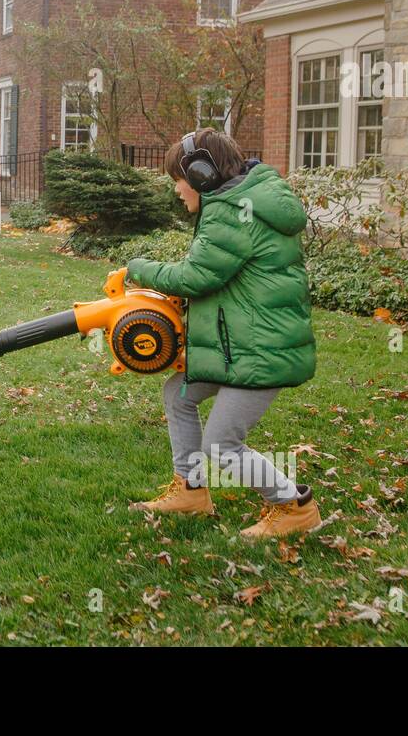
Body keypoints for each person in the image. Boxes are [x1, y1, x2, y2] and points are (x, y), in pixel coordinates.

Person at [125, 128, 319, 539]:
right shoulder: (243, 197)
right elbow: (212, 269)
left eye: (178, 179)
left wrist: (137, 269)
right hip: (243, 345)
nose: (177, 189)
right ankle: (191, 491)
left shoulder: (233, 209)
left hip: (262, 352)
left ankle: (294, 506)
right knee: (179, 394)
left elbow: (198, 275)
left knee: (221, 444)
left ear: (201, 174)